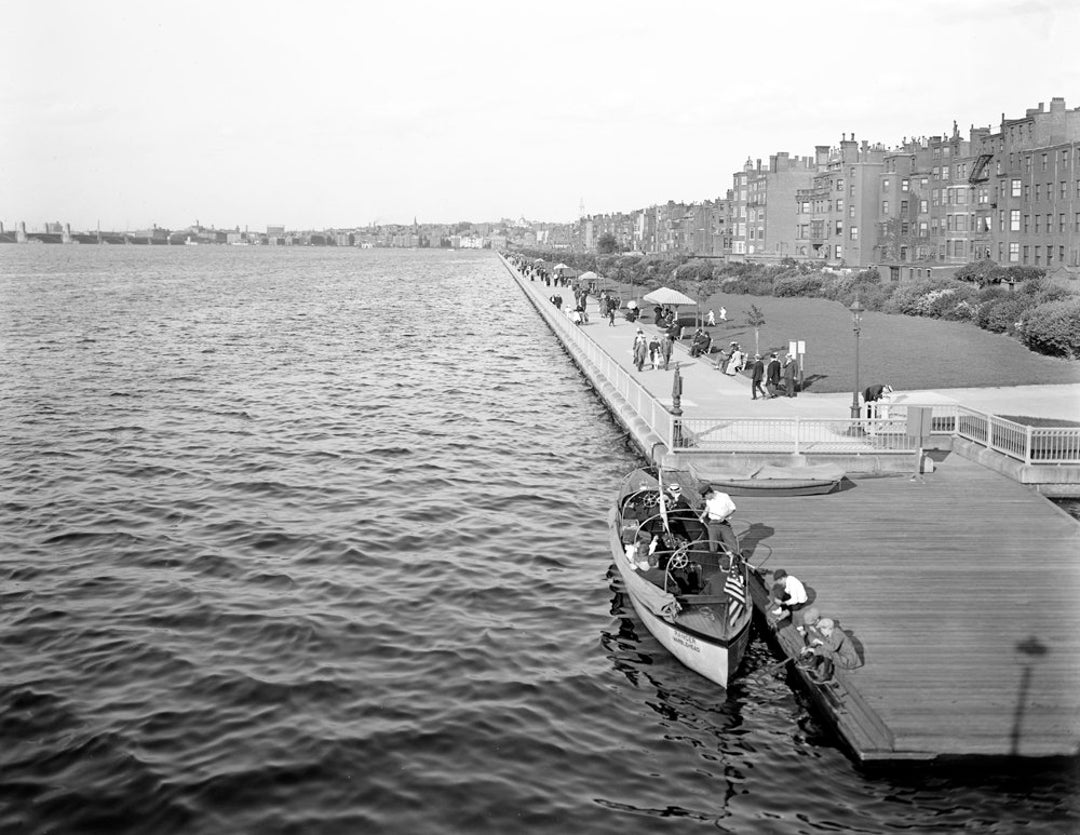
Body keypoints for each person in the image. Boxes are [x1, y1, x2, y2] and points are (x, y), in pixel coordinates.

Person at [798, 618, 860, 682]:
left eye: (822, 630)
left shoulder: (838, 635)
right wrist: (811, 646)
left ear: (828, 628)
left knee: (827, 650)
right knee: (822, 645)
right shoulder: (833, 632)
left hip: (848, 662)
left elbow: (832, 648)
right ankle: (813, 665)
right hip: (843, 657)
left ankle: (826, 675)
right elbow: (824, 640)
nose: (821, 631)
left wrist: (814, 649)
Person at [699, 485, 740, 559]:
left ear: (709, 493)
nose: (706, 499)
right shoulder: (708, 500)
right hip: (713, 523)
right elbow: (708, 507)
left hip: (723, 522)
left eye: (706, 496)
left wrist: (724, 516)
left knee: (731, 541)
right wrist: (703, 515)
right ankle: (715, 559)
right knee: (713, 544)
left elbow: (733, 508)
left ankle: (735, 557)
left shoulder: (724, 496)